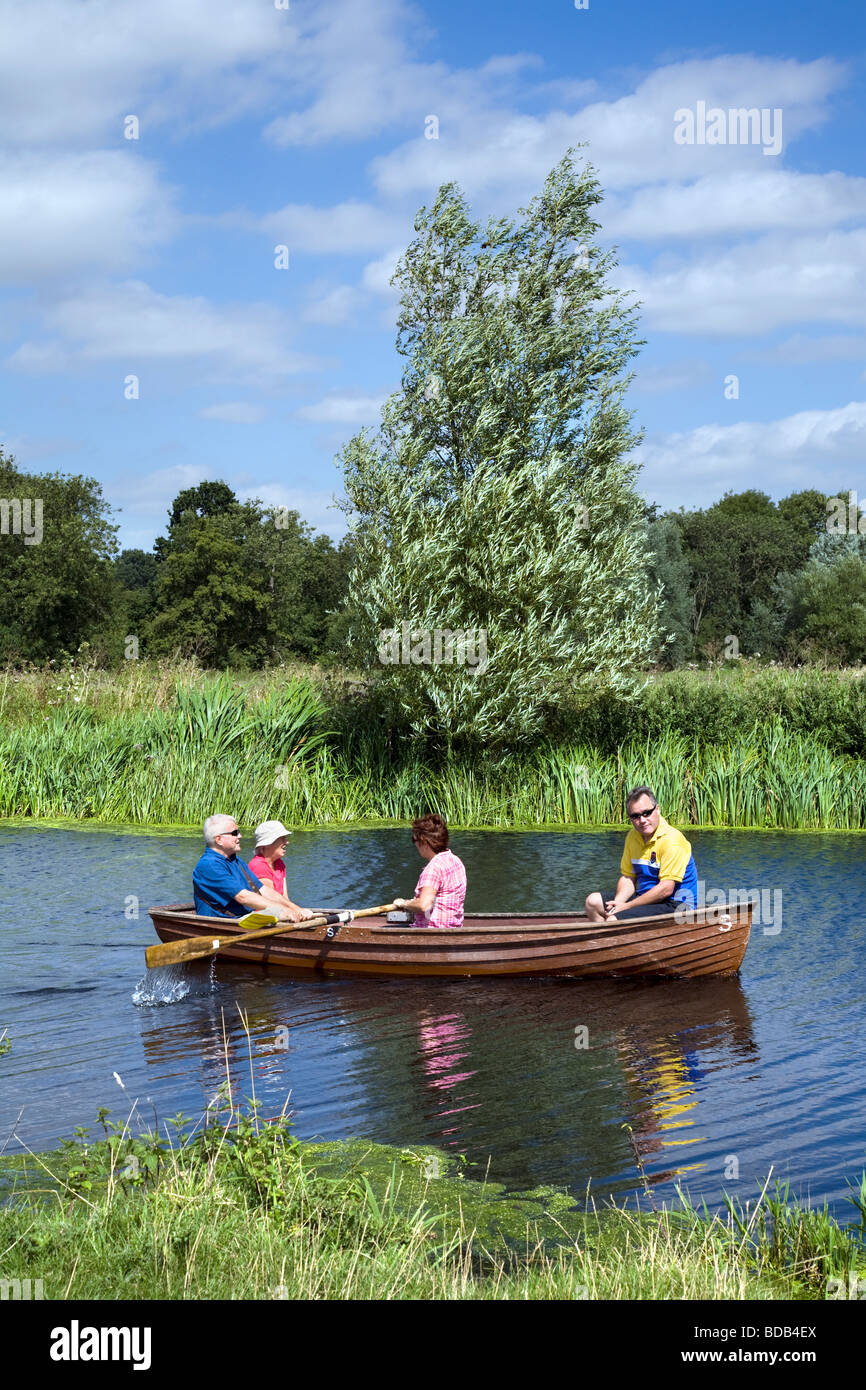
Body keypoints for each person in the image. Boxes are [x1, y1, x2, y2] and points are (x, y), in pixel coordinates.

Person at [585, 786, 699, 922]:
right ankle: (603, 941)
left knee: (614, 920)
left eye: (647, 813)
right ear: (630, 818)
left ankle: (614, 940)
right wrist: (617, 904)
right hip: (646, 899)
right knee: (593, 902)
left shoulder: (672, 840)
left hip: (677, 905)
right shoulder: (632, 837)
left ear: (657, 809)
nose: (642, 820)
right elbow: (628, 878)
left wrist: (627, 907)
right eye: (635, 816)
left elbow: (666, 889)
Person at [192, 814, 293, 920]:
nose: (240, 836)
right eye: (235, 833)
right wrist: (283, 910)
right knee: (282, 914)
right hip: (224, 922)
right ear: (219, 840)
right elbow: (243, 897)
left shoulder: (235, 860)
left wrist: (294, 908)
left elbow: (262, 889)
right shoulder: (209, 865)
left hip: (244, 917)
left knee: (288, 913)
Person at [393, 814, 467, 929]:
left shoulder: (433, 868)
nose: (415, 845)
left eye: (415, 840)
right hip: (454, 928)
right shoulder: (456, 861)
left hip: (431, 932)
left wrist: (404, 904)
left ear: (425, 843)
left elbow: (424, 905)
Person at [248, 820, 314, 923]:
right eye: (282, 838)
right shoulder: (258, 866)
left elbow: (284, 898)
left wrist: (296, 911)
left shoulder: (279, 864)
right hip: (263, 917)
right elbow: (270, 903)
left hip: (279, 912)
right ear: (268, 843)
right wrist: (296, 911)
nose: (287, 842)